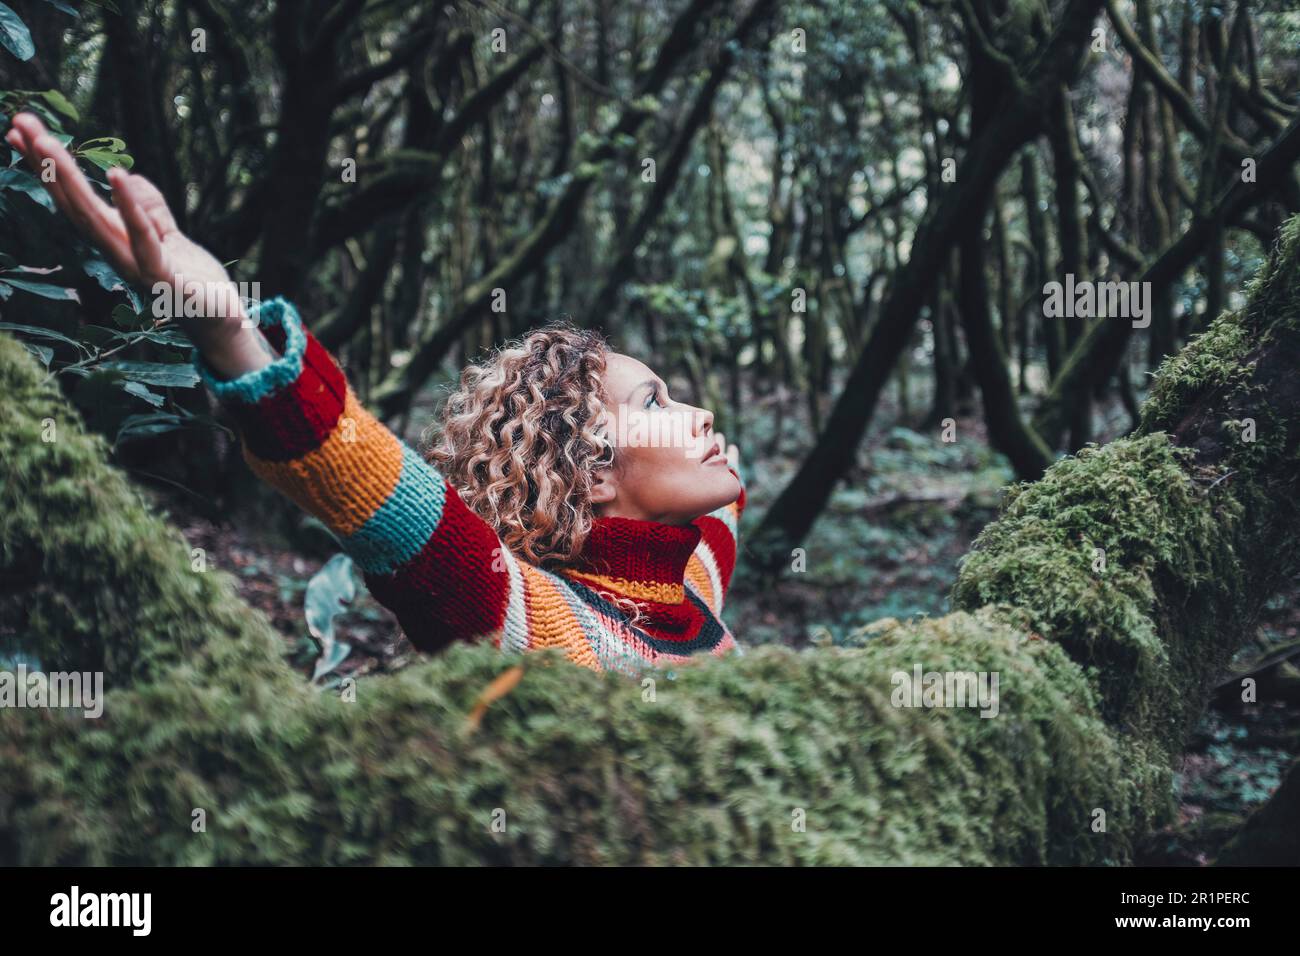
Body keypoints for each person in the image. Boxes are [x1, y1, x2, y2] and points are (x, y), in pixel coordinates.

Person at [6, 112, 747, 675]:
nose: (700, 415)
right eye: (655, 403)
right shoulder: (539, 625)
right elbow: (385, 502)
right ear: (589, 471)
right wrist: (232, 335)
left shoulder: (692, 583)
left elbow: (725, 505)